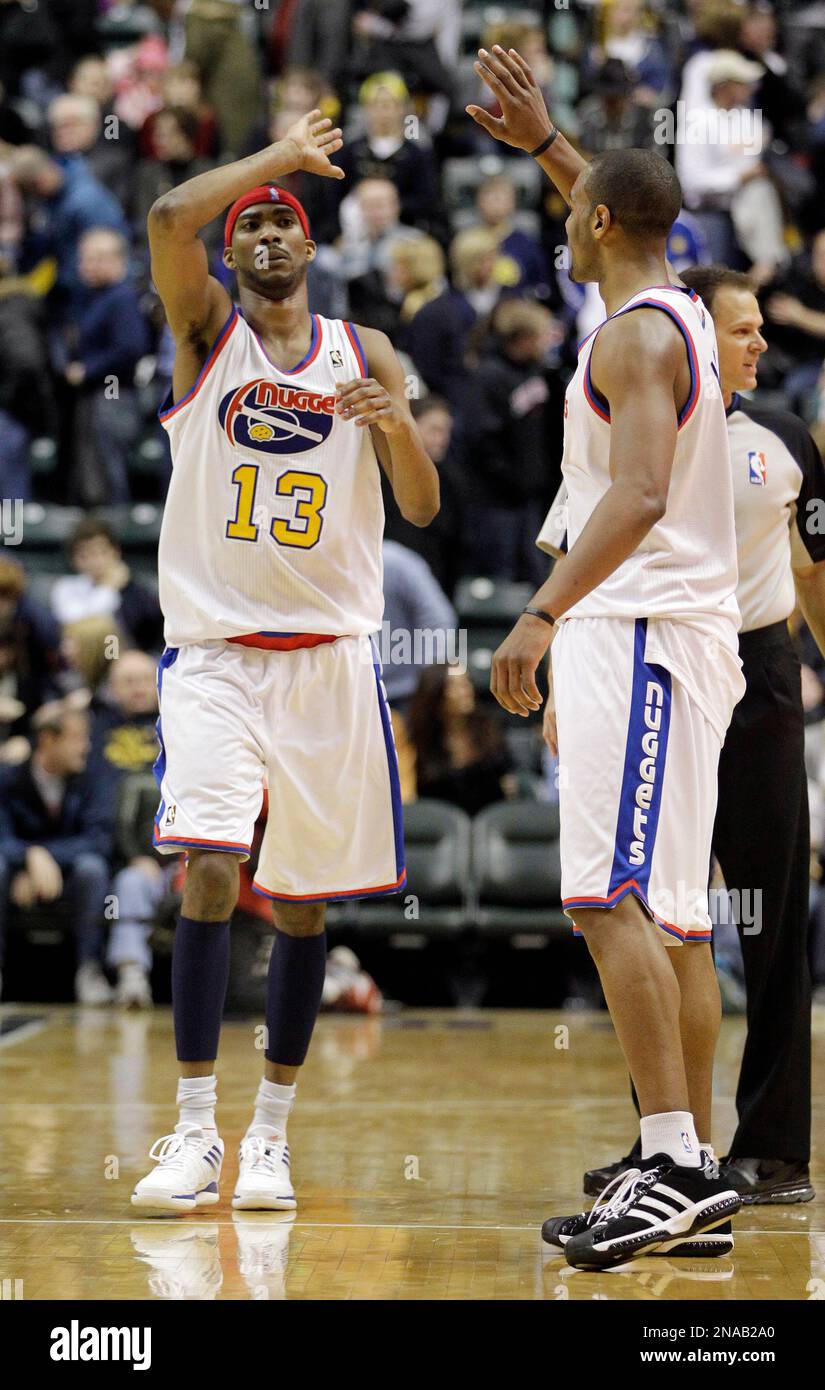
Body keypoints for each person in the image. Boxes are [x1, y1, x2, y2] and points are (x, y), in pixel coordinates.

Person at [130, 111, 438, 1215]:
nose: (266, 234)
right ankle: (192, 1130)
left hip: (329, 664)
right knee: (212, 869)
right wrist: (280, 159)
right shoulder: (206, 332)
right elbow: (169, 214)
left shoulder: (369, 352)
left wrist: (395, 425)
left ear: (311, 247)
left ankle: (269, 1136)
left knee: (304, 904)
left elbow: (421, 507)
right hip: (216, 655)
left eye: (284, 224)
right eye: (250, 227)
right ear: (231, 253)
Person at [468, 45, 744, 1268]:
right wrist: (547, 143)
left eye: (569, 212)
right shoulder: (673, 306)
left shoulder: (634, 338)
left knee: (608, 896)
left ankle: (673, 1162)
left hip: (634, 629)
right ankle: (687, 1167)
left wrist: (540, 612)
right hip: (674, 636)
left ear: (594, 226)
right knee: (672, 918)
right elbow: (621, 207)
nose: (561, 230)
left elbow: (634, 494)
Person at [0, 701, 114, 1005]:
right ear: (48, 740)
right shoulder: (8, 778)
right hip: (16, 874)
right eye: (77, 738)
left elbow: (99, 839)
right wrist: (28, 858)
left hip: (70, 874)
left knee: (93, 868)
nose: (86, 747)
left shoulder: (93, 777)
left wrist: (41, 856)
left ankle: (89, 970)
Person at [62, 227, 151, 506]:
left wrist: (88, 370)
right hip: (98, 396)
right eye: (84, 259)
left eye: (96, 259)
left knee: (107, 474)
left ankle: (115, 524)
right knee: (93, 474)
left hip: (113, 394)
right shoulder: (93, 297)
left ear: (118, 261)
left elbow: (130, 349)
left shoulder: (121, 298)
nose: (86, 266)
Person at [407, 665, 515, 816]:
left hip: (489, 820)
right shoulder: (420, 741)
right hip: (439, 823)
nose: (466, 691)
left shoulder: (490, 730)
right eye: (455, 686)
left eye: (466, 683)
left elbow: (507, 781)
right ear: (436, 693)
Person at [51, 517, 163, 653]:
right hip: (84, 658)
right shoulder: (65, 587)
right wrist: (109, 587)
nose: (95, 561)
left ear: (116, 552)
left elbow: (149, 630)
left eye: (101, 552)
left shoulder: (135, 589)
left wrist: (126, 586)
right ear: (74, 560)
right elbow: (81, 627)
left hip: (127, 656)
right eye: (85, 555)